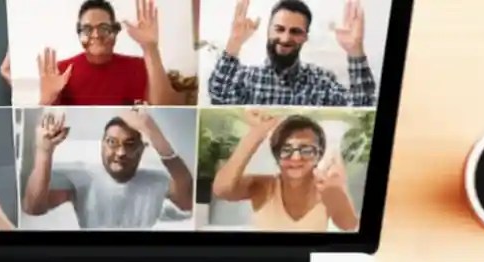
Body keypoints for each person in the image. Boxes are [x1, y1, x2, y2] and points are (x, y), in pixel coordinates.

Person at [23, 107, 193, 229]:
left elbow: (188, 200)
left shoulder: (157, 181)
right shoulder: (82, 177)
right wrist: (44, 151)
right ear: (102, 145)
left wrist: (153, 131)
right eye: (112, 142)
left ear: (142, 149)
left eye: (130, 144)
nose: (120, 152)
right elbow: (33, 208)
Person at [208, 0, 376, 107]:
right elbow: (217, 96)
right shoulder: (245, 77)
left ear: (305, 37)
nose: (285, 38)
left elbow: (362, 107)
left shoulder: (322, 81)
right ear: (268, 31)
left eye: (295, 31)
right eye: (279, 29)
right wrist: (234, 42)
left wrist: (355, 51)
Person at [212, 110, 358, 232]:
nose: (296, 158)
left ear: (319, 155)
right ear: (276, 156)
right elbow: (222, 189)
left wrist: (336, 194)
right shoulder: (263, 186)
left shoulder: (326, 188)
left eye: (306, 150)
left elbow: (348, 225)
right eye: (286, 150)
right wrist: (257, 132)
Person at [36, 0, 179, 106]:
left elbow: (168, 108)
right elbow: (44, 124)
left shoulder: (140, 66)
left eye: (103, 28)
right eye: (87, 29)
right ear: (79, 33)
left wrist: (151, 48)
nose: (96, 35)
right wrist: (45, 99)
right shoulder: (60, 72)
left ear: (115, 31)